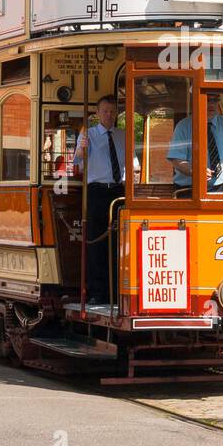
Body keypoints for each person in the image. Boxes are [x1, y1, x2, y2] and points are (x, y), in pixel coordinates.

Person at [73, 94, 135, 305]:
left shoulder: (123, 135)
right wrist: (82, 147)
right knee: (97, 242)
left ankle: (118, 290)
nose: (109, 115)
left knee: (119, 242)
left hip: (119, 190)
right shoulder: (88, 134)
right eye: (105, 111)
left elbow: (133, 165)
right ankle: (98, 291)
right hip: (97, 191)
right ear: (97, 113)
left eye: (112, 111)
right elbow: (78, 160)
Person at [168, 91, 223, 195]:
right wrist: (195, 171)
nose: (211, 104)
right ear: (197, 100)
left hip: (219, 189)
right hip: (189, 191)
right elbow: (176, 160)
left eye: (215, 100)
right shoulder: (183, 126)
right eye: (207, 100)